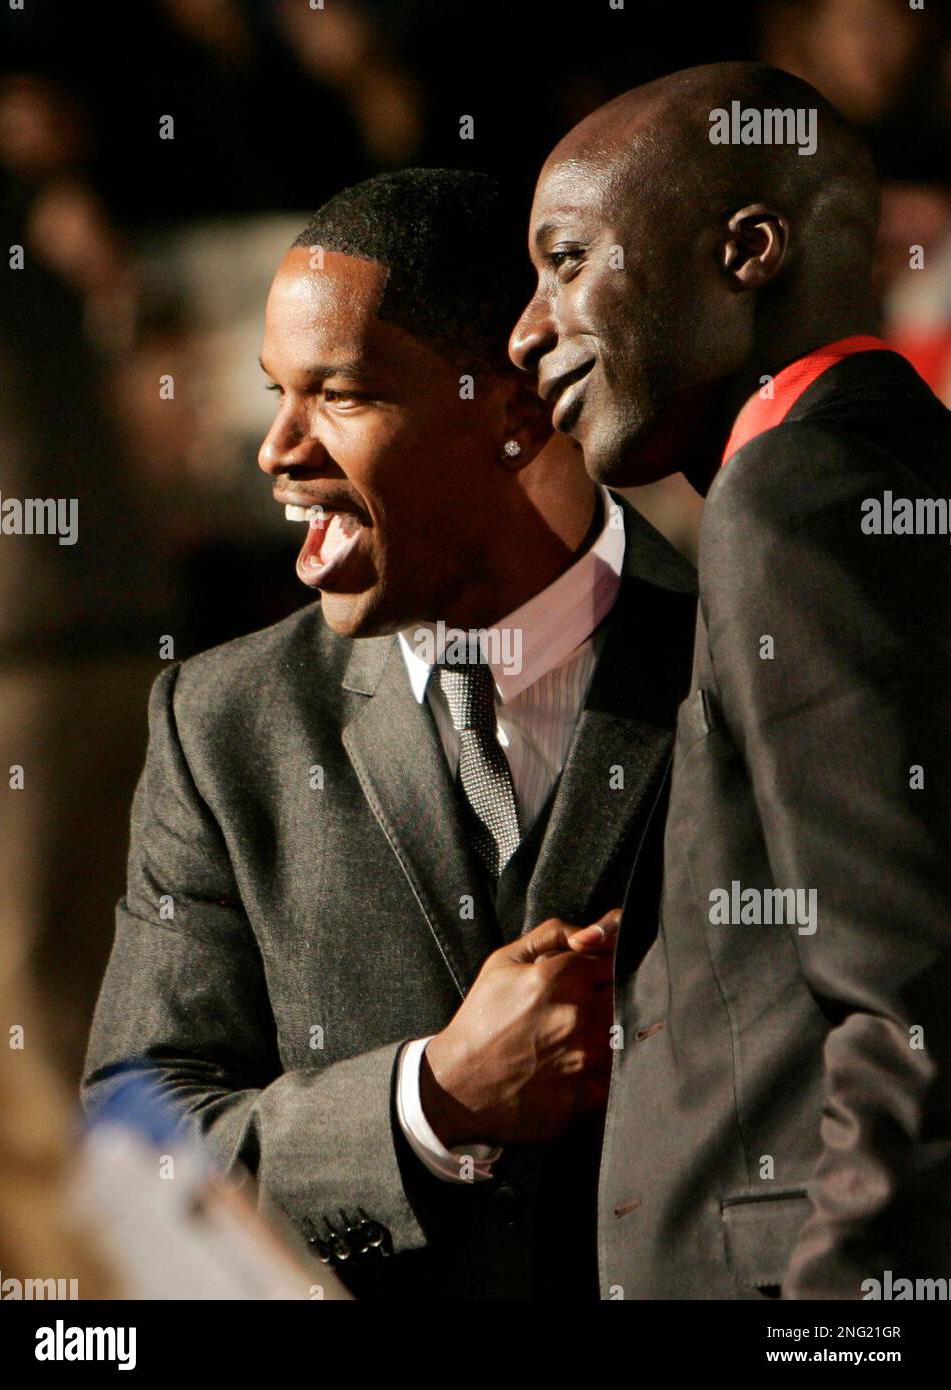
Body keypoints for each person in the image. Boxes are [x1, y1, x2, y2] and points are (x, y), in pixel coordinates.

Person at [82, 169, 697, 1299]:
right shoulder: (221, 726)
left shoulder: (749, 672)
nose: (276, 447)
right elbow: (129, 1165)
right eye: (276, 391)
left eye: (342, 395)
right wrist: (431, 1097)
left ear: (519, 407)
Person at [509, 62, 951, 1299]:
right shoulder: (889, 467)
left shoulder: (790, 498)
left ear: (749, 251)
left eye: (566, 258)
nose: (527, 328)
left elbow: (911, 1000)